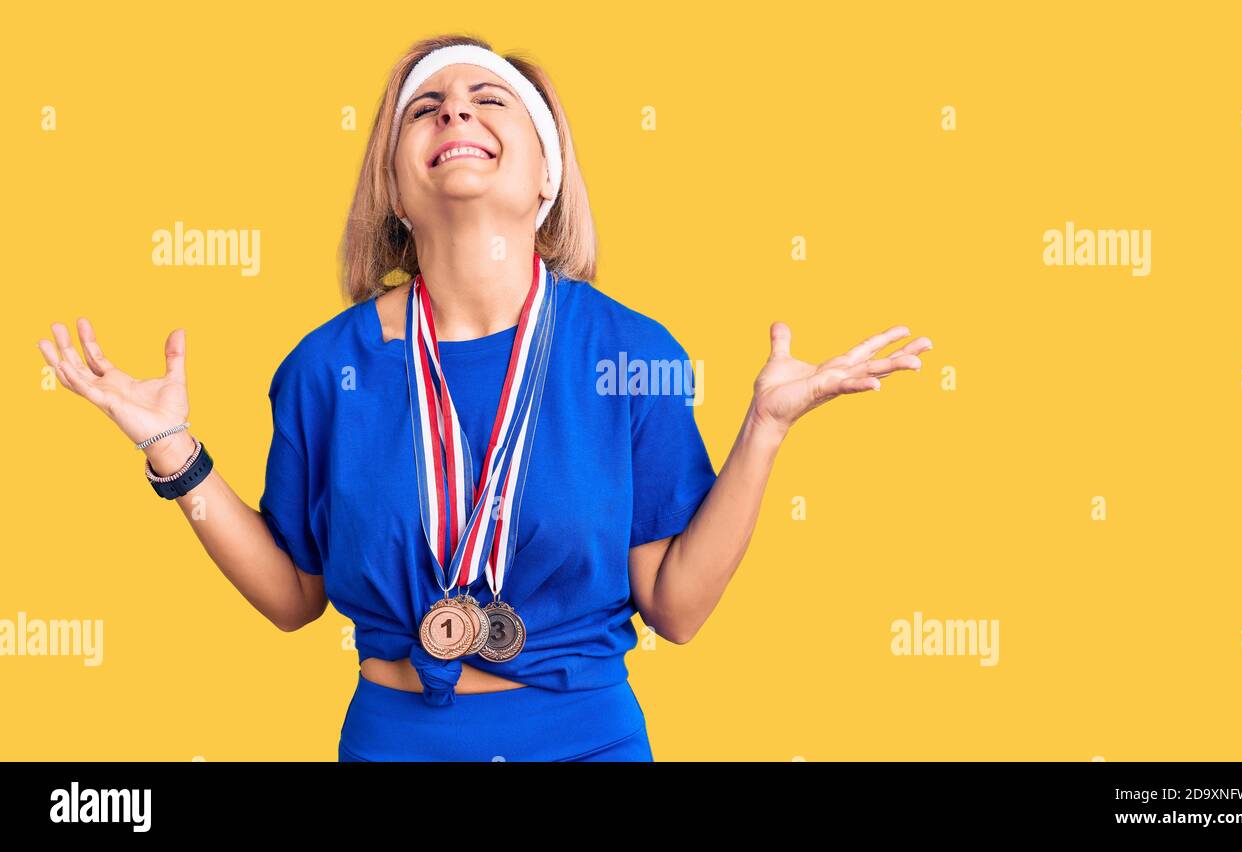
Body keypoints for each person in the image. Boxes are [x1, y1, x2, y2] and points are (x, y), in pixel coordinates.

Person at [36, 34, 933, 762]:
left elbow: (678, 607)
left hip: (586, 743)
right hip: (392, 745)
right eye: (425, 107)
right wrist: (174, 453)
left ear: (546, 176)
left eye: (488, 99)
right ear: (395, 183)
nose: (454, 111)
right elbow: (294, 595)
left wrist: (765, 432)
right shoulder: (323, 366)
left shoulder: (630, 353)